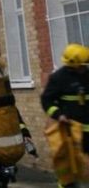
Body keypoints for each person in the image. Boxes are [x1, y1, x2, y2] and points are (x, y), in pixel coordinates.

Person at [41, 43, 89, 186]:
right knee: (70, 165)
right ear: (72, 64)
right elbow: (46, 100)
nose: (83, 67)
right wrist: (58, 115)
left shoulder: (87, 74)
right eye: (81, 65)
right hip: (71, 131)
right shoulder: (59, 78)